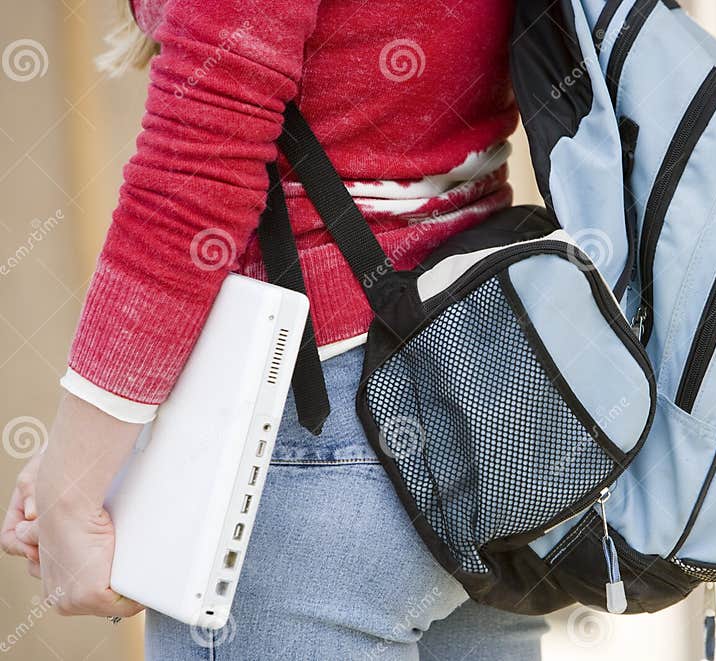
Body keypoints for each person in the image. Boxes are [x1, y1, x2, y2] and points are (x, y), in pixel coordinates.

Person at [0, 0, 549, 658]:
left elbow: (192, 186)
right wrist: (84, 453)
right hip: (493, 412)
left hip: (308, 436)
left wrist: (73, 487)